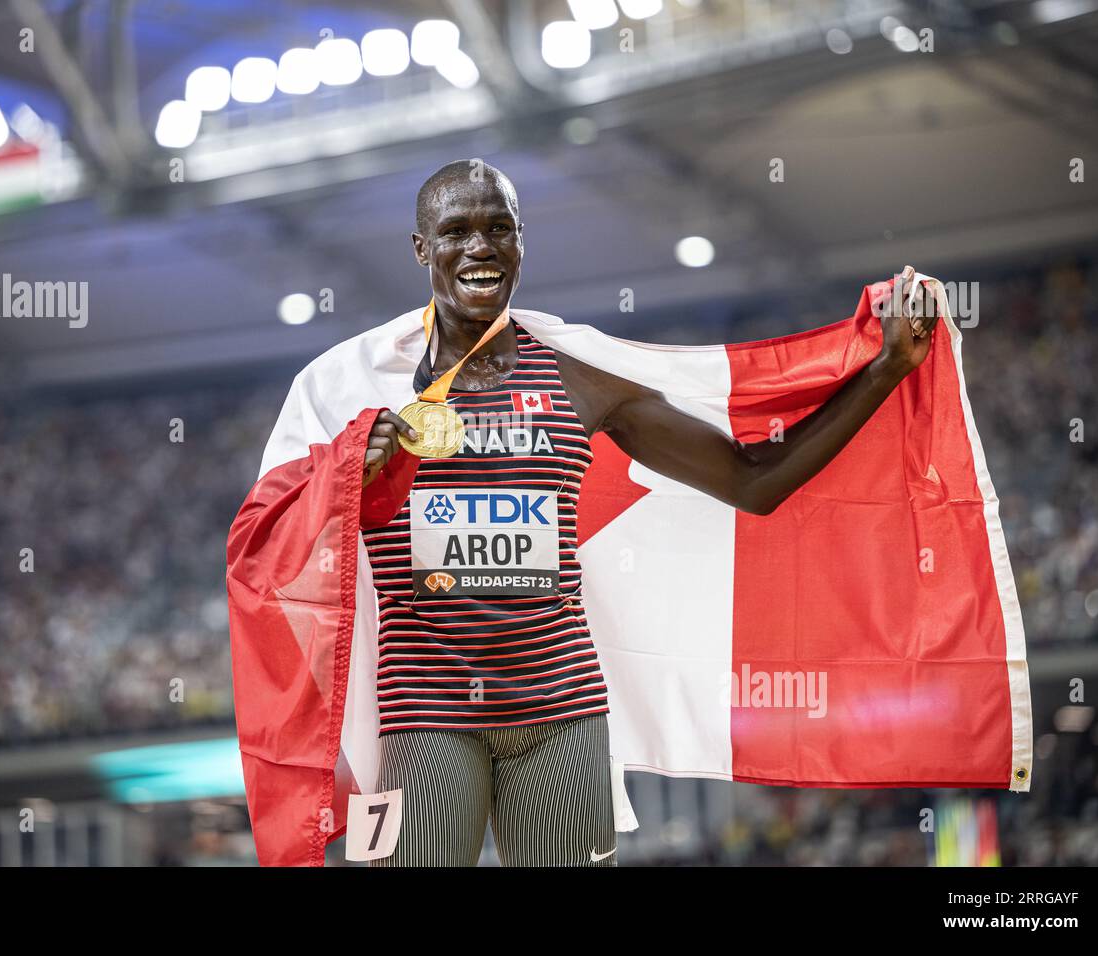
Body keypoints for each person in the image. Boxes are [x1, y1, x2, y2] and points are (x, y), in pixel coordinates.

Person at [350, 159, 939, 866]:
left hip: (560, 711)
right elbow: (280, 534)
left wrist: (885, 371)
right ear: (421, 248)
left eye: (498, 228)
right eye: (455, 231)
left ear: (520, 243)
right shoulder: (358, 391)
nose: (480, 247)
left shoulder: (579, 382)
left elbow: (754, 480)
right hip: (423, 713)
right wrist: (345, 469)